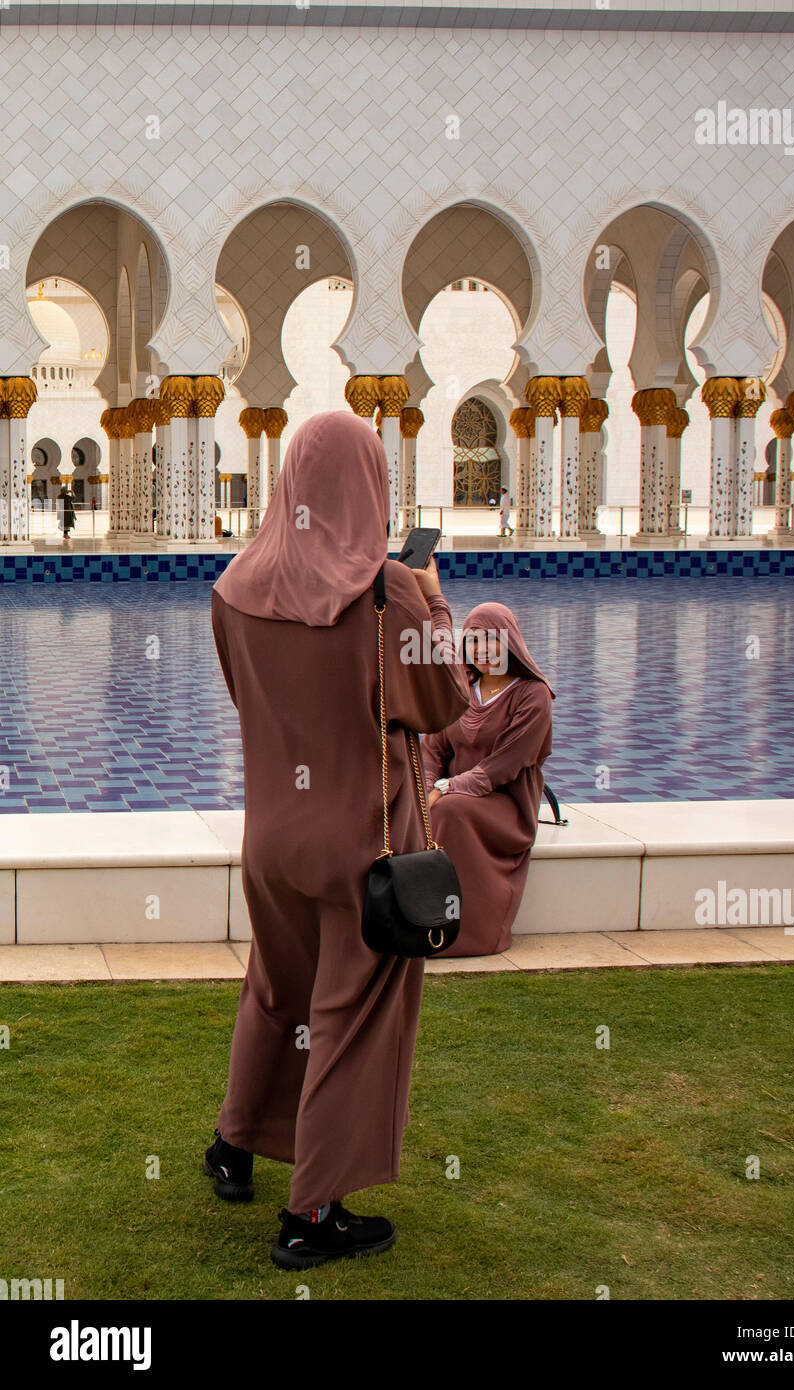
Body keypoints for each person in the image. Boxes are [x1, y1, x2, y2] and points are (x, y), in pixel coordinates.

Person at [205, 410, 470, 1270]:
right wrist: (428, 589)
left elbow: (251, 701)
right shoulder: (383, 590)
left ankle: (233, 1147)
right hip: (360, 845)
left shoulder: (236, 583)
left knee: (277, 997)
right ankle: (312, 1215)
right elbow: (443, 705)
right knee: (348, 1018)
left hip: (273, 838)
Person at [421, 603, 554, 956]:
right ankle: (413, 922)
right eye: (473, 640)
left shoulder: (533, 695)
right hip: (449, 798)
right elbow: (433, 749)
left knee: (451, 811)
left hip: (506, 806)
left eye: (491, 640)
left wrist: (445, 789)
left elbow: (504, 766)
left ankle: (467, 934)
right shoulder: (462, 689)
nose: (481, 650)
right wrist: (426, 788)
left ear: (510, 642)